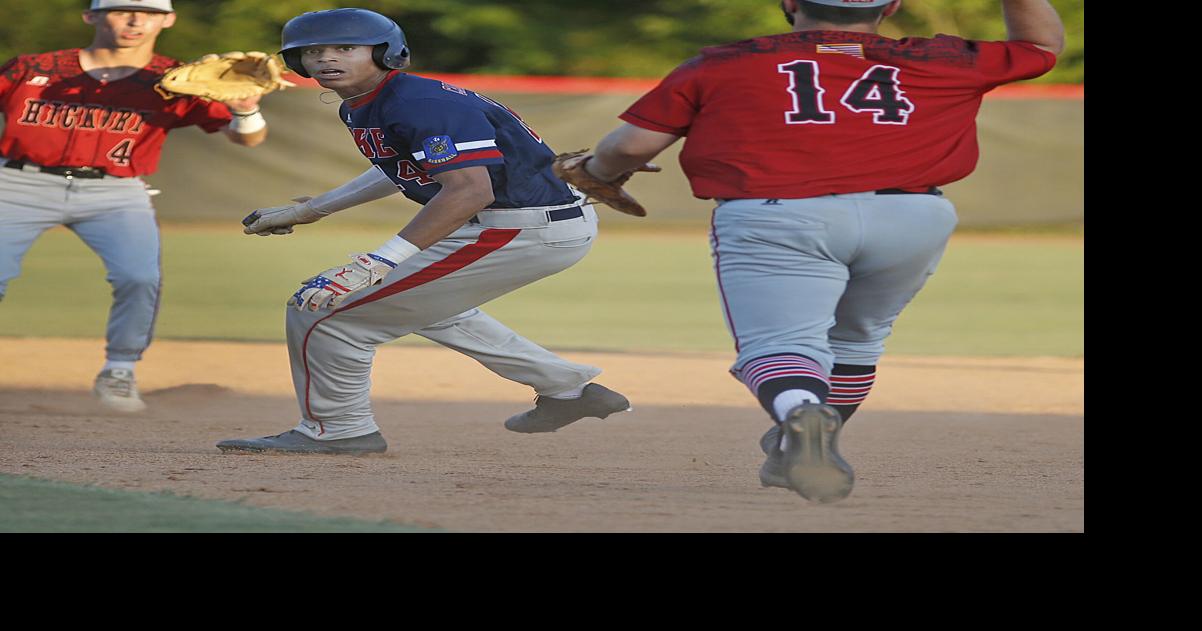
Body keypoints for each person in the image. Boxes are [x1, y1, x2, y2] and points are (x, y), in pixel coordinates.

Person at [575, 0, 1065, 502]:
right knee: (856, 342)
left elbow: (632, 147)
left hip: (778, 214)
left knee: (781, 347)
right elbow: (1040, 47)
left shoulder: (725, 62)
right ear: (891, 6)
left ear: (790, 2)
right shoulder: (941, 57)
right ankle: (793, 446)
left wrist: (598, 172)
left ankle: (799, 416)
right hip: (913, 217)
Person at [216, 8, 631, 455]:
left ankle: (338, 429)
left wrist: (377, 260)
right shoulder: (369, 102)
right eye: (312, 52)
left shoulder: (419, 104)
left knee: (323, 311)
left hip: (517, 228)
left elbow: (470, 189)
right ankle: (568, 390)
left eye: (345, 48)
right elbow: (402, 169)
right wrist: (313, 210)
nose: (326, 59)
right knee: (416, 305)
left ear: (385, 52)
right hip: (516, 224)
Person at [0, 0, 271, 412]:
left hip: (115, 191)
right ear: (91, 16)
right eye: (120, 10)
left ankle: (120, 370)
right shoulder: (32, 67)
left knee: (139, 277)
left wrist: (246, 110)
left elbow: (247, 139)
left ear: (168, 20)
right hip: (18, 182)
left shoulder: (175, 79)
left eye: (147, 12)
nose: (134, 20)